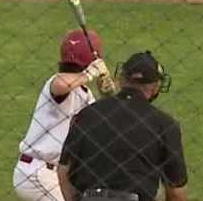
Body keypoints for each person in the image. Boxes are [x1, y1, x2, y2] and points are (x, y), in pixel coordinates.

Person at [58, 51, 187, 201]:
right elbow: (176, 192)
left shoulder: (87, 114)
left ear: (121, 79)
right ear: (155, 86)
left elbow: (63, 170)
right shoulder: (165, 125)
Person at [13, 29, 117, 201]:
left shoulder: (84, 93)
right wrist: (89, 74)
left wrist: (108, 95)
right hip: (37, 172)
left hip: (55, 174)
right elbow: (61, 85)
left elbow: (104, 122)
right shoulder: (58, 83)